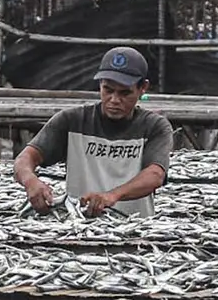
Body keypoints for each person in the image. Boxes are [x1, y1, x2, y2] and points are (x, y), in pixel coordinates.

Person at [14, 47, 172, 217]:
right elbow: (25, 159)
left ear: (143, 88)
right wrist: (31, 181)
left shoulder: (154, 126)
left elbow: (155, 175)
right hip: (79, 226)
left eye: (125, 93)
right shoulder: (72, 121)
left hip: (135, 229)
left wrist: (112, 195)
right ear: (100, 84)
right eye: (108, 90)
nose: (114, 100)